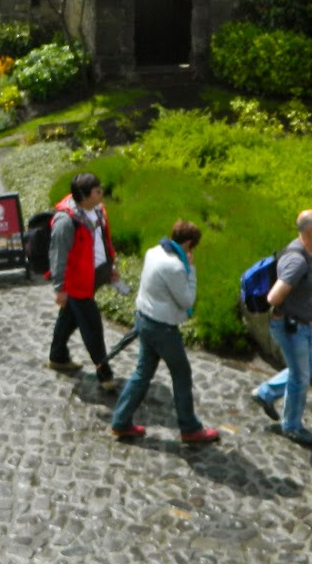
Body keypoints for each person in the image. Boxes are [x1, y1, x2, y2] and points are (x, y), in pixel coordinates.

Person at [110, 220, 220, 444]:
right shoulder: (175, 267)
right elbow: (187, 299)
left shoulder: (153, 252)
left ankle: (121, 421)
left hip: (144, 320)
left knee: (142, 374)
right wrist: (192, 270)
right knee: (181, 375)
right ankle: (190, 428)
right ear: (188, 244)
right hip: (163, 329)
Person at [252, 209, 312, 447]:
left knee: (309, 368)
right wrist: (297, 313)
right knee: (300, 377)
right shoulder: (297, 260)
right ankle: (292, 427)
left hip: (303, 326)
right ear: (309, 231)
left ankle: (266, 393)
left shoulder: (308, 252)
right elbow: (274, 297)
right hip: (292, 328)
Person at [47, 171, 120, 392]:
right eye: (97, 191)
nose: (102, 193)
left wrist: (111, 266)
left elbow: (104, 240)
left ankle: (57, 356)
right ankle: (104, 374)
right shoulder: (66, 222)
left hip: (94, 275)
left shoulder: (97, 209)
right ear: (85, 196)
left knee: (69, 316)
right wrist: (60, 288)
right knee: (92, 327)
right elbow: (58, 256)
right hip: (78, 283)